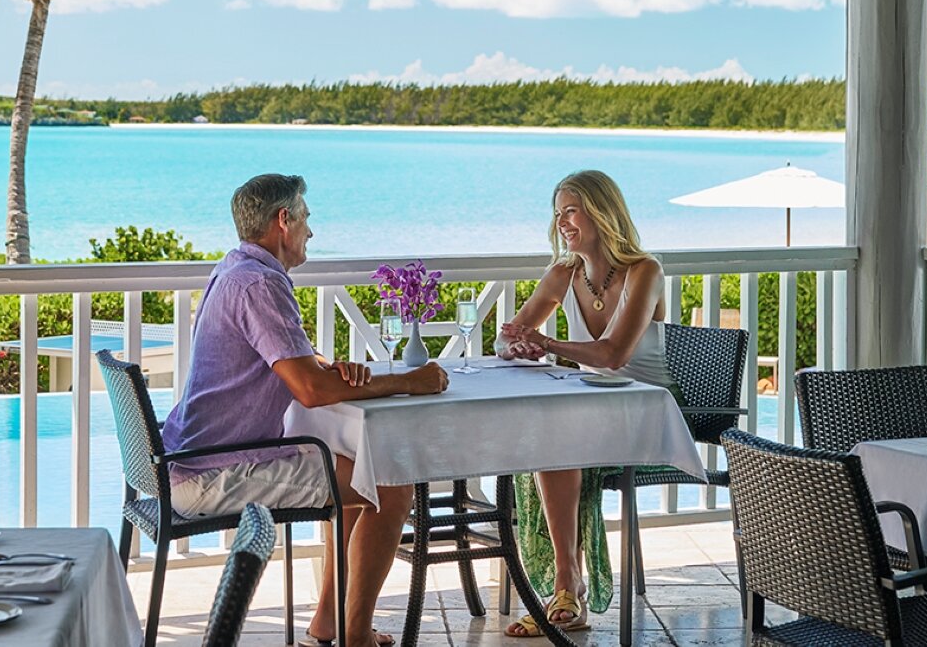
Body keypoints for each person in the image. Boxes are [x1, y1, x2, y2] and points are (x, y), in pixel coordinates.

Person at [161, 173, 449, 647]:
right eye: (306, 218)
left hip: (189, 459)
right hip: (208, 474)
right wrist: (408, 382)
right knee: (390, 485)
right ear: (283, 220)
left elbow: (293, 365)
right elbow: (311, 392)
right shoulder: (260, 284)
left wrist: (326, 367)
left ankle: (331, 621)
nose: (310, 232)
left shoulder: (234, 269)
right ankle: (353, 635)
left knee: (361, 474)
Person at [494, 169, 674, 637]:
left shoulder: (645, 270)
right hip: (590, 408)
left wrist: (549, 345)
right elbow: (509, 335)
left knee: (554, 438)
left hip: (645, 412)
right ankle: (566, 585)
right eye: (557, 215)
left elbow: (614, 354)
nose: (563, 224)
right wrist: (517, 345)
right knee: (549, 435)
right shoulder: (563, 273)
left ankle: (565, 585)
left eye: (570, 211)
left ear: (601, 210)